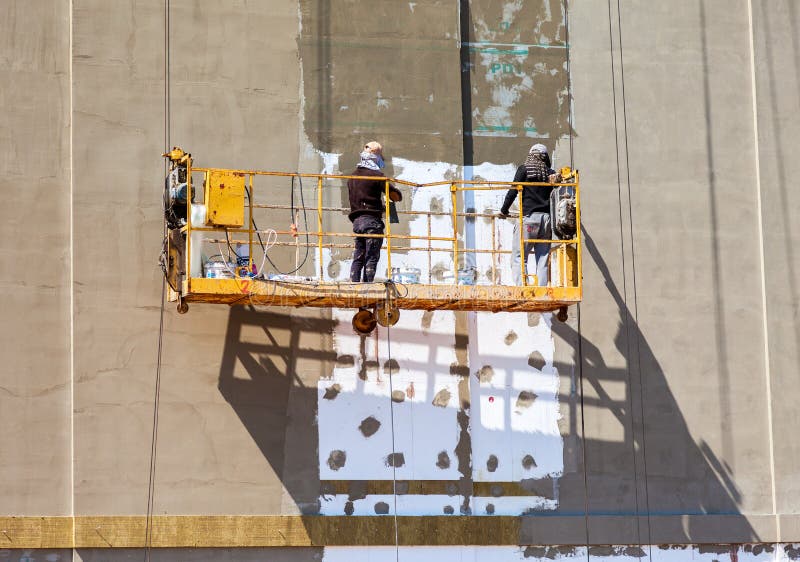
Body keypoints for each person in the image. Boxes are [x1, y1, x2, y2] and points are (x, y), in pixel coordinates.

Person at [499, 143, 561, 286]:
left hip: (529, 219)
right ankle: (542, 289)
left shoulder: (525, 170)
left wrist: (504, 210)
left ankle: (523, 287)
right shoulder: (550, 173)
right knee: (543, 257)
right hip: (546, 220)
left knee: (519, 256)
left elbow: (513, 191)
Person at [347, 141, 402, 282]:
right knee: (371, 257)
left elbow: (364, 198)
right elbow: (396, 195)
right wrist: (389, 198)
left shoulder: (352, 177)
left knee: (358, 256)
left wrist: (379, 206)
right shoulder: (375, 176)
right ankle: (367, 288)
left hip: (357, 223)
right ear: (376, 158)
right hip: (372, 223)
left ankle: (354, 286)